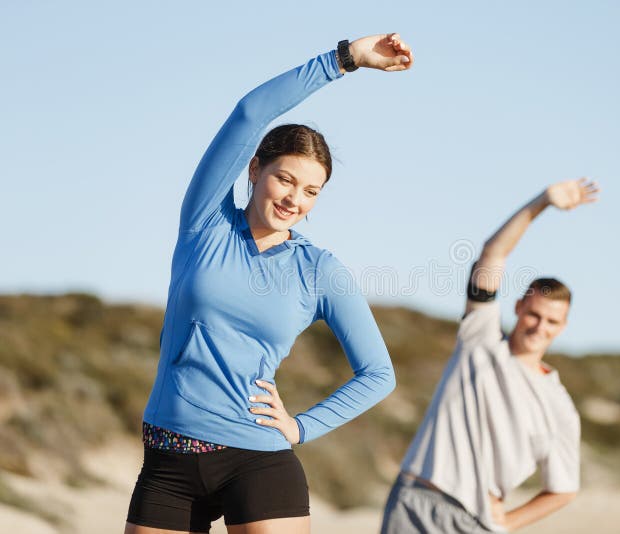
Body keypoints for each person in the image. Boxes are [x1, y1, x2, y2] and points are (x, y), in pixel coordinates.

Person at [124, 33, 414, 534]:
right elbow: (248, 115)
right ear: (254, 169)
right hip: (169, 458)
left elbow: (378, 373)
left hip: (258, 459)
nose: (293, 199)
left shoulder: (319, 269)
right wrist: (343, 60)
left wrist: (302, 426)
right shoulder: (205, 223)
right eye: (285, 179)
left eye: (311, 191)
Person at [380, 178, 599, 533]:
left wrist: (508, 522)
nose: (539, 326)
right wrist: (542, 202)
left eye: (551, 321)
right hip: (415, 503)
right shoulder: (480, 339)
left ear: (563, 326)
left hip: (474, 522)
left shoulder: (560, 407)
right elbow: (493, 255)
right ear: (517, 307)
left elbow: (563, 489)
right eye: (533, 314)